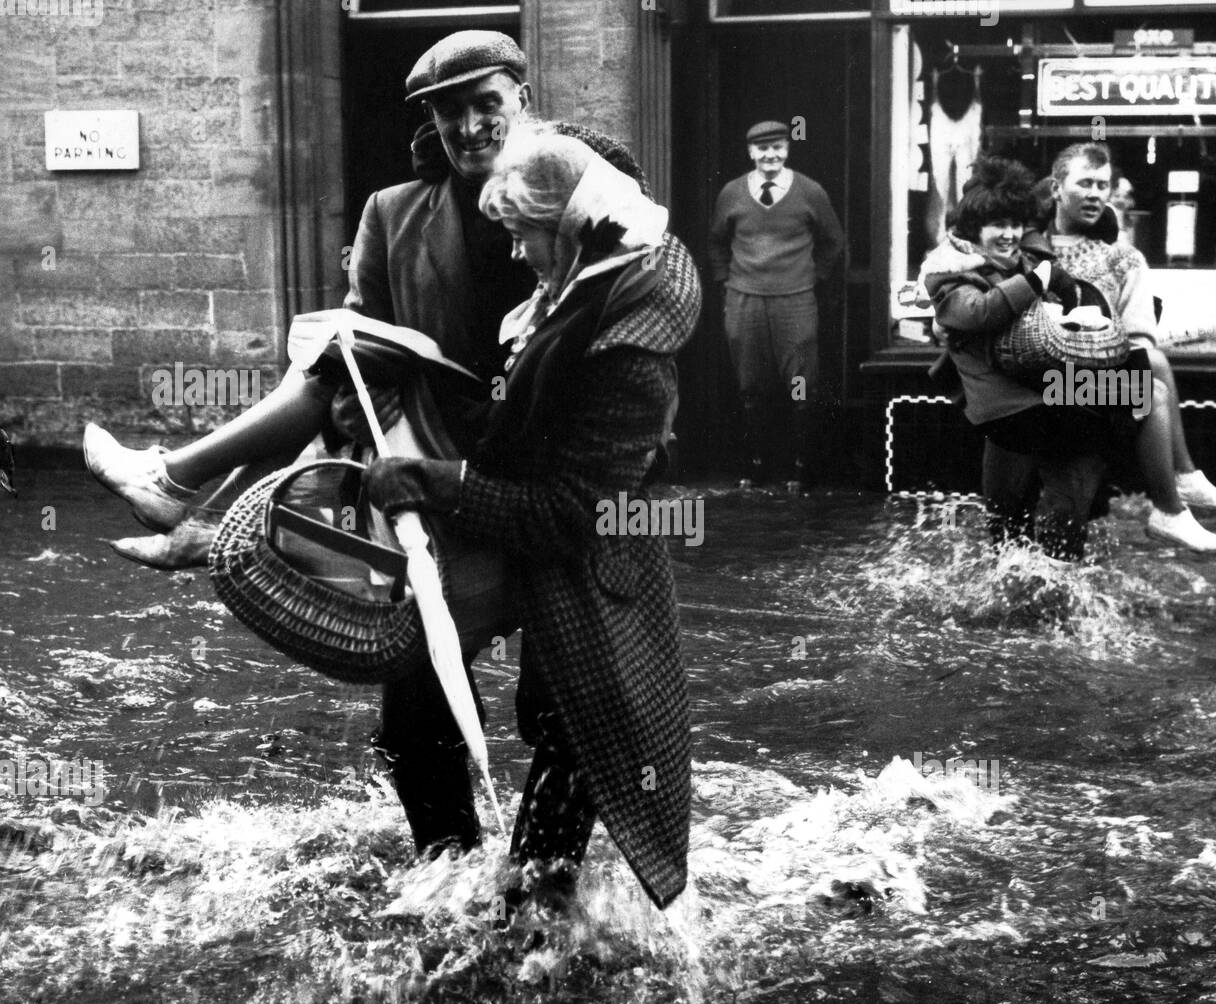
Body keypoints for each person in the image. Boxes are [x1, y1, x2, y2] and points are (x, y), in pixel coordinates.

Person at [83, 31, 656, 871]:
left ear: (521, 99)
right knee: (412, 723)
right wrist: (383, 402)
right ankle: (447, 876)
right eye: (448, 112)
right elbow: (352, 376)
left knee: (571, 717)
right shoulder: (394, 213)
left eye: (485, 104)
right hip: (431, 492)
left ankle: (544, 897)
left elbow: (632, 311)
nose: (469, 127)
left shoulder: (581, 193)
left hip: (561, 498)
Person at [363, 122, 701, 910]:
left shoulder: (629, 346)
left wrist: (439, 482)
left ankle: (533, 916)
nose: (515, 254)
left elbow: (567, 515)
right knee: (414, 691)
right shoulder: (574, 280)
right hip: (519, 521)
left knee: (577, 726)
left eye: (523, 235)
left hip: (596, 549)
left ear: (572, 227)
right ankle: (446, 870)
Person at [922, 156, 1216, 559]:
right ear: (973, 231)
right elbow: (977, 311)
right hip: (1017, 409)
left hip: (1049, 395)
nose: (1010, 234)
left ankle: (1171, 501)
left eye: (1015, 224)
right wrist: (1035, 281)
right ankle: (1170, 503)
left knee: (1149, 391)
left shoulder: (1022, 255)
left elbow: (1039, 243)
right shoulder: (952, 272)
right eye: (999, 226)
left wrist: (1071, 303)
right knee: (1007, 534)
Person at [1042, 143, 1216, 529]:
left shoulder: (1125, 258)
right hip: (1035, 386)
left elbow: (1139, 341)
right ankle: (1178, 490)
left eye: (1103, 185)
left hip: (1087, 389)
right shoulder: (1029, 248)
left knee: (1150, 375)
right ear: (1056, 188)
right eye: (1084, 183)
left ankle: (1176, 495)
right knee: (1152, 378)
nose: (1095, 194)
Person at [707, 120, 845, 492]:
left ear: (788, 149)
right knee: (752, 385)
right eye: (763, 149)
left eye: (779, 147)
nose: (771, 155)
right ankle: (757, 465)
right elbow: (717, 242)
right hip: (744, 300)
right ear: (751, 152)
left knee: (800, 385)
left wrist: (811, 278)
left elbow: (833, 240)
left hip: (795, 301)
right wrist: (725, 281)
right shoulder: (732, 193)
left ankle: (801, 467)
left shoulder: (809, 192)